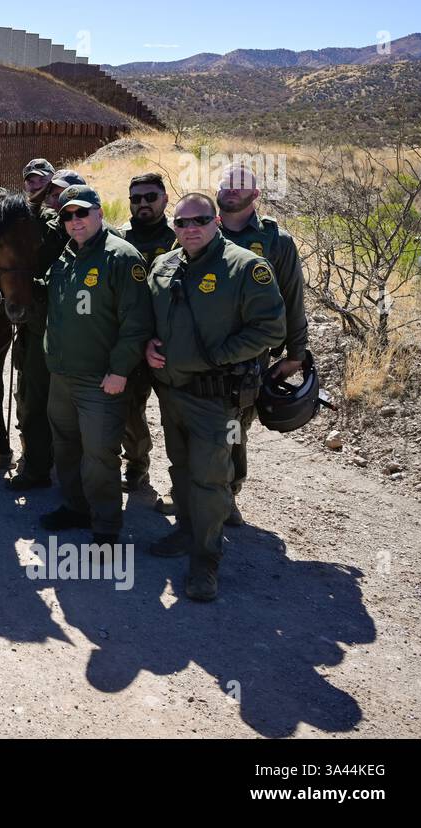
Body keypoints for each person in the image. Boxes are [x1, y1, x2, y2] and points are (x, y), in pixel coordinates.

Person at [145, 192, 285, 600]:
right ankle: (187, 531)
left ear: (216, 222)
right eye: (181, 222)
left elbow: (270, 329)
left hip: (215, 398)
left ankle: (206, 561)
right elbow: (150, 319)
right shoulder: (163, 267)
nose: (189, 229)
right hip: (171, 392)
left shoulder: (245, 267)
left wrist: (216, 357)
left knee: (210, 480)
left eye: (199, 220)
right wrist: (147, 345)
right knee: (180, 467)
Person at [39, 185, 153, 543]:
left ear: (99, 214)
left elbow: (137, 323)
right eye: (68, 216)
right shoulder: (65, 256)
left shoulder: (121, 257)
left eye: (82, 213)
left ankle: (105, 525)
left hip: (101, 379)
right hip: (61, 374)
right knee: (66, 446)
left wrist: (120, 371)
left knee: (100, 454)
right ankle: (76, 507)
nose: (75, 221)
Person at [217, 162, 308, 524]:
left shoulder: (276, 241)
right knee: (192, 422)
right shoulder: (201, 231)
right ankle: (194, 490)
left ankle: (228, 492)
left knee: (236, 424)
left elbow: (292, 299)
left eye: (240, 187)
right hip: (200, 350)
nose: (231, 191)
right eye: (226, 185)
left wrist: (296, 354)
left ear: (256, 195)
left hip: (250, 355)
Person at [8, 168, 86, 491]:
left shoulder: (97, 239)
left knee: (77, 413)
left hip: (81, 343)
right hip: (40, 334)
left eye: (65, 194)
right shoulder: (45, 231)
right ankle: (37, 468)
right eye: (53, 194)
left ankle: (80, 480)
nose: (58, 200)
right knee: (33, 403)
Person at [119, 172, 178, 492]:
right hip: (134, 340)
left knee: (178, 415)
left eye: (150, 197)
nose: (142, 204)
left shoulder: (181, 235)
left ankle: (185, 480)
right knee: (131, 411)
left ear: (165, 199)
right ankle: (137, 464)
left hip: (173, 342)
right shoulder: (119, 238)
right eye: (136, 198)